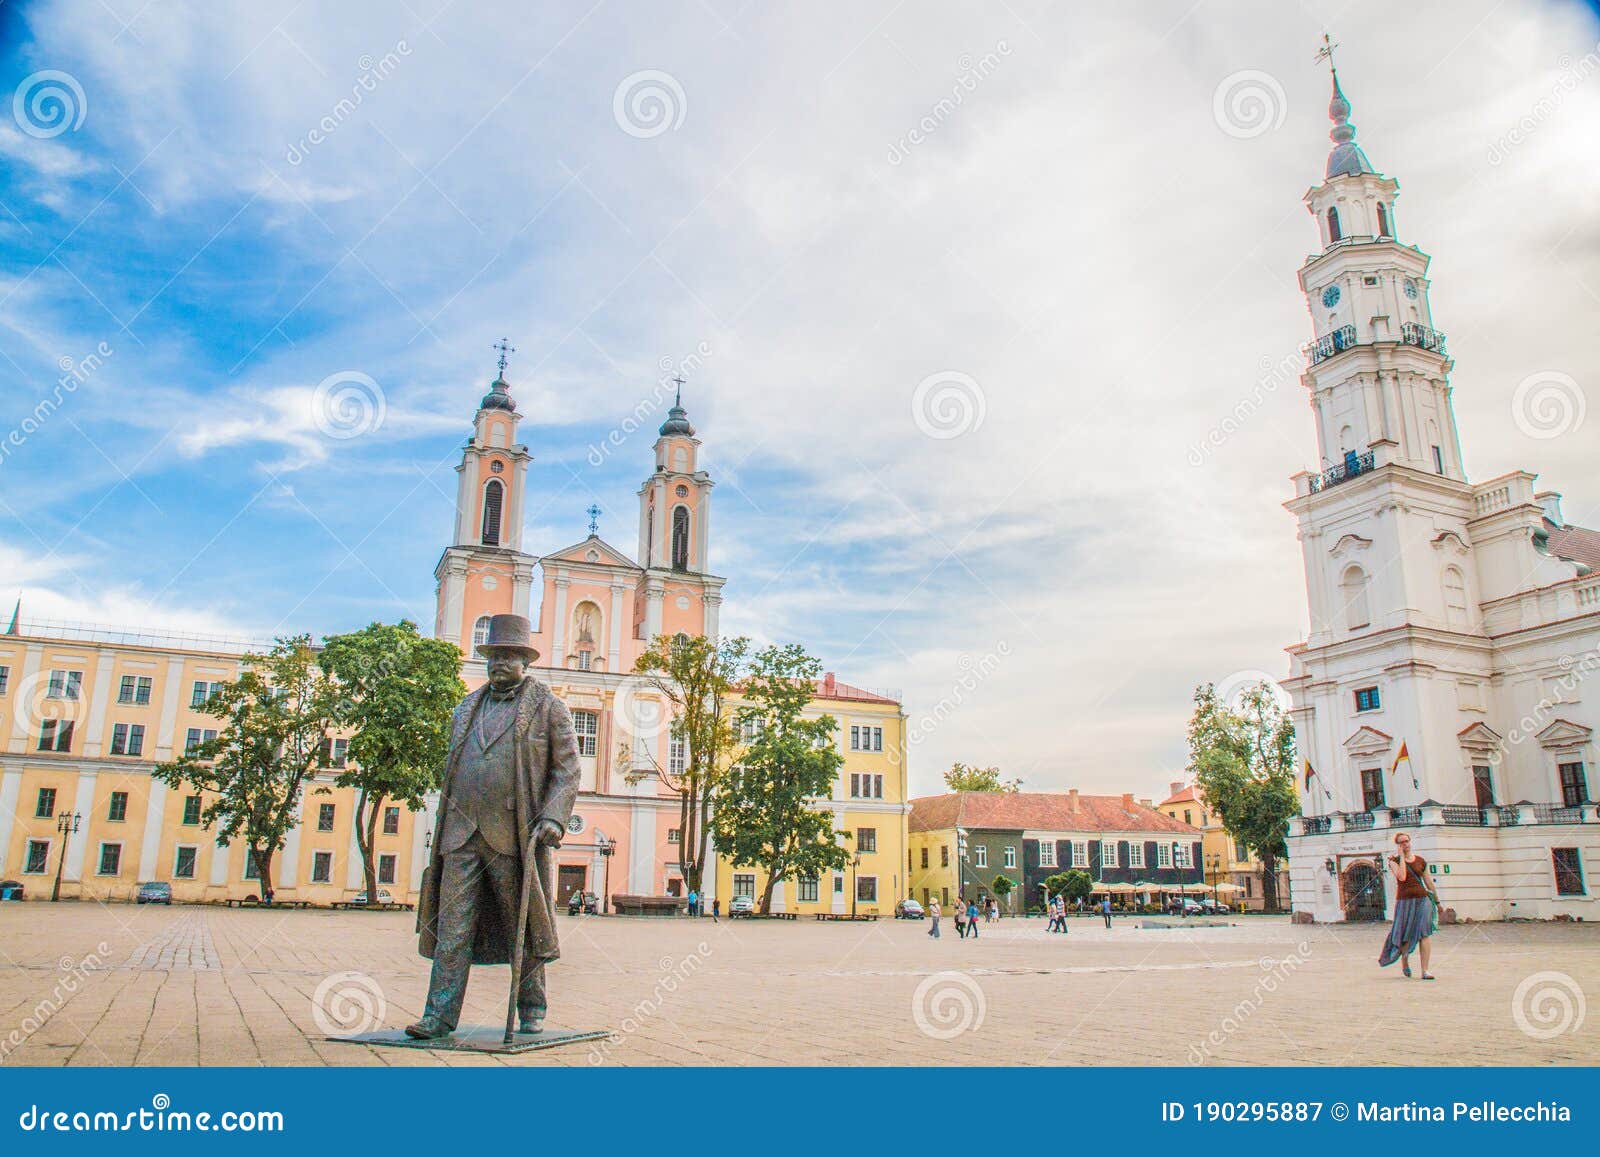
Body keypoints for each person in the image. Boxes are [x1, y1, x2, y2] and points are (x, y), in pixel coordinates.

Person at [408, 614, 581, 1041]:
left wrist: (555, 817)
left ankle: (532, 1006)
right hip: (460, 834)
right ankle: (439, 1015)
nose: (498, 663)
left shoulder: (547, 706)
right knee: (453, 926)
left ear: (525, 660)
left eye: (508, 656)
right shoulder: (466, 706)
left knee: (522, 923)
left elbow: (568, 769)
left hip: (513, 835)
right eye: (493, 656)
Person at [1379, 833, 1439, 979]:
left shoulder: (1420, 861)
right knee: (1405, 934)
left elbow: (1429, 882)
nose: (1405, 844)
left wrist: (1437, 901)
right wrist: (1401, 858)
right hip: (1404, 902)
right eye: (1401, 842)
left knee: (1424, 933)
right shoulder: (1393, 861)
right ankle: (1404, 961)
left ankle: (1425, 970)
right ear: (1398, 845)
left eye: (1407, 841)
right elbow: (1402, 876)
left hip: (1422, 900)